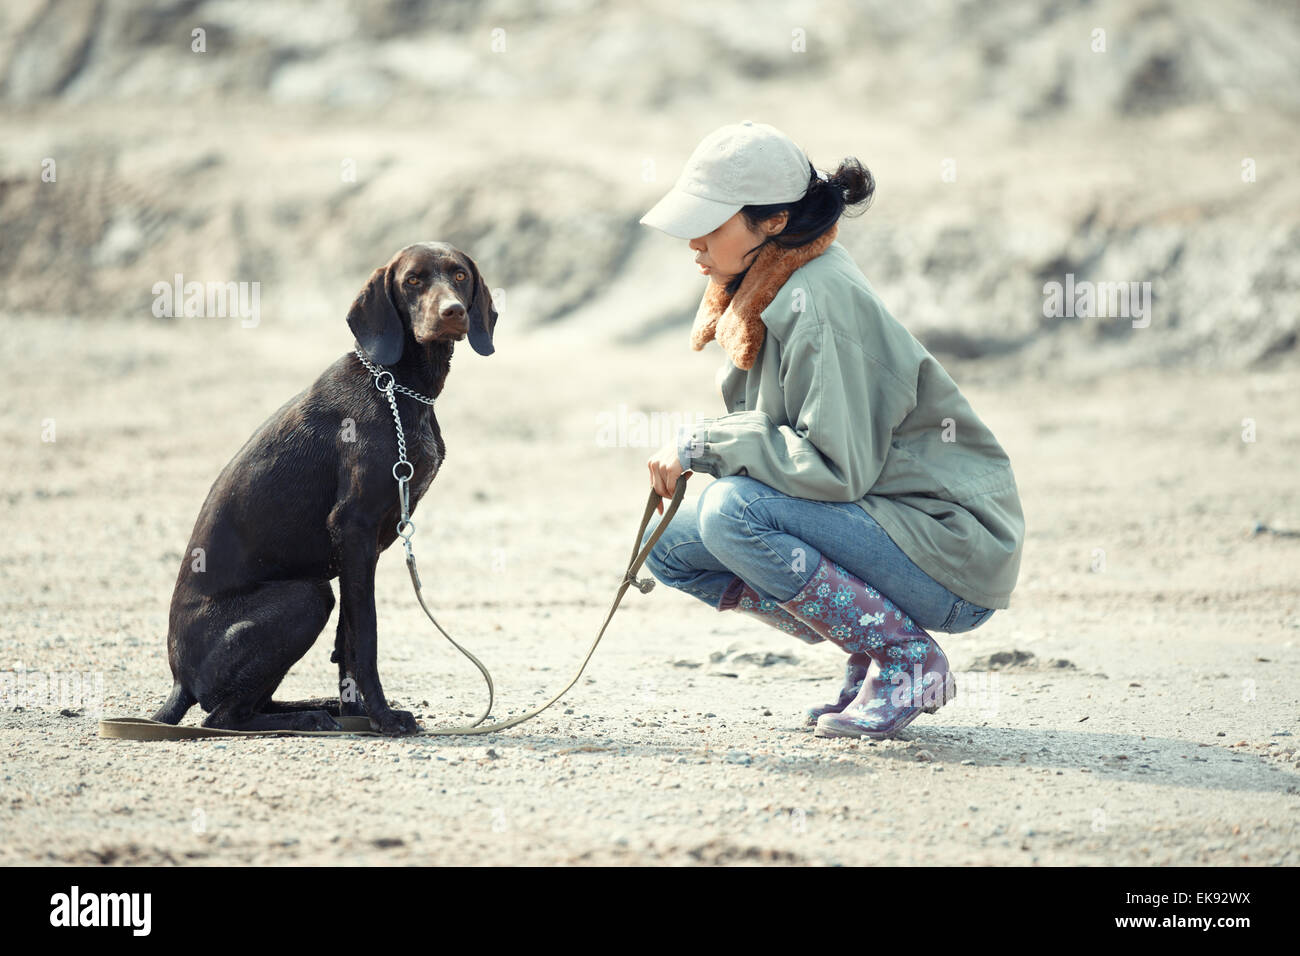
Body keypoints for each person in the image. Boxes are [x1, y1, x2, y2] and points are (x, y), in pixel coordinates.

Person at [637, 120, 1025, 739]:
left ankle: (905, 658)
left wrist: (702, 444)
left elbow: (834, 469)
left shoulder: (818, 301)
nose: (694, 243)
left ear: (774, 222)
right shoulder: (769, 283)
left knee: (733, 513)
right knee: (669, 544)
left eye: (711, 223)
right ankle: (868, 646)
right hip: (882, 522)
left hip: (951, 552)